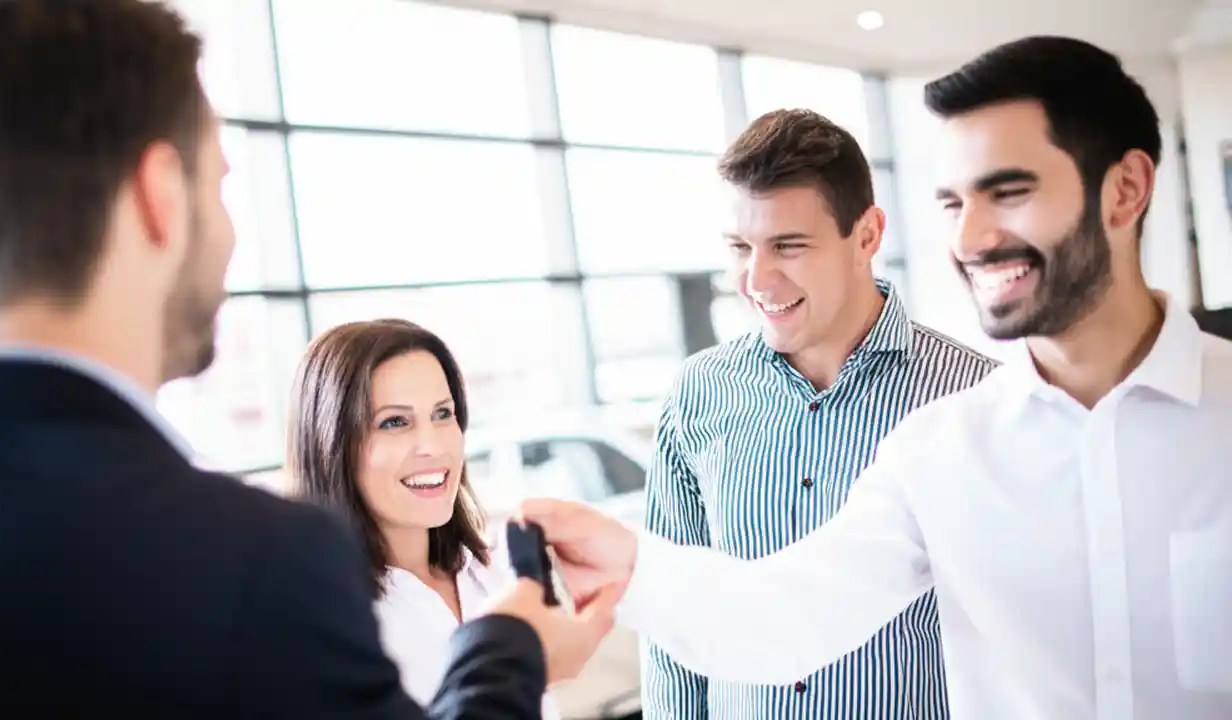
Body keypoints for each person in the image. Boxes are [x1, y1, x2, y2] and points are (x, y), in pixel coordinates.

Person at [521, 36, 1232, 720]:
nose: (970, 239)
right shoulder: (941, 447)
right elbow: (785, 615)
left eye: (1007, 192)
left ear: (1126, 190)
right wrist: (624, 561)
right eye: (954, 204)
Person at [0, 0, 619, 717]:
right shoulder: (245, 560)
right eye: (220, 184)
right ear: (161, 195)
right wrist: (512, 646)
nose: (233, 233)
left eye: (440, 414)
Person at [642, 109, 994, 719]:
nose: (756, 278)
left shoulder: (974, 398)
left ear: (867, 236)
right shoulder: (699, 394)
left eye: (788, 246)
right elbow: (672, 622)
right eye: (739, 247)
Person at [289, 319, 560, 718]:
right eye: (395, 422)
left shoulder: (496, 574)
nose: (433, 446)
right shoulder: (319, 626)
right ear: (332, 442)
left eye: (443, 414)